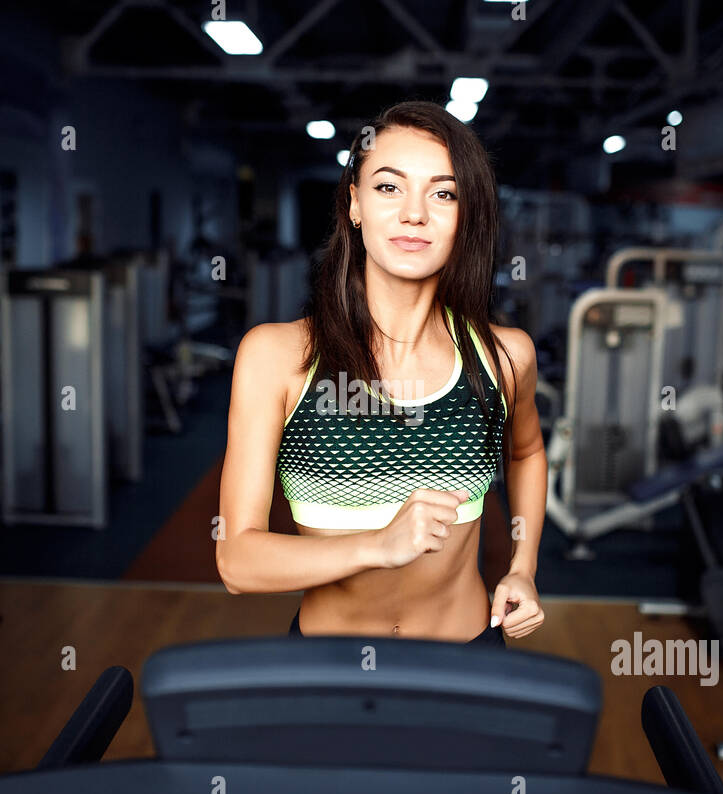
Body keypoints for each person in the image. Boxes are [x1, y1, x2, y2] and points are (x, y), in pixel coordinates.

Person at [215, 100, 546, 644]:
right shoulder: (278, 358)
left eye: (444, 193)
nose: (414, 213)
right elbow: (236, 561)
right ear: (355, 204)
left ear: (467, 217)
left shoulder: (504, 357)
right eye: (389, 187)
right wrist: (378, 545)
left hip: (466, 660)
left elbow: (528, 452)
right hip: (329, 673)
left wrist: (523, 567)